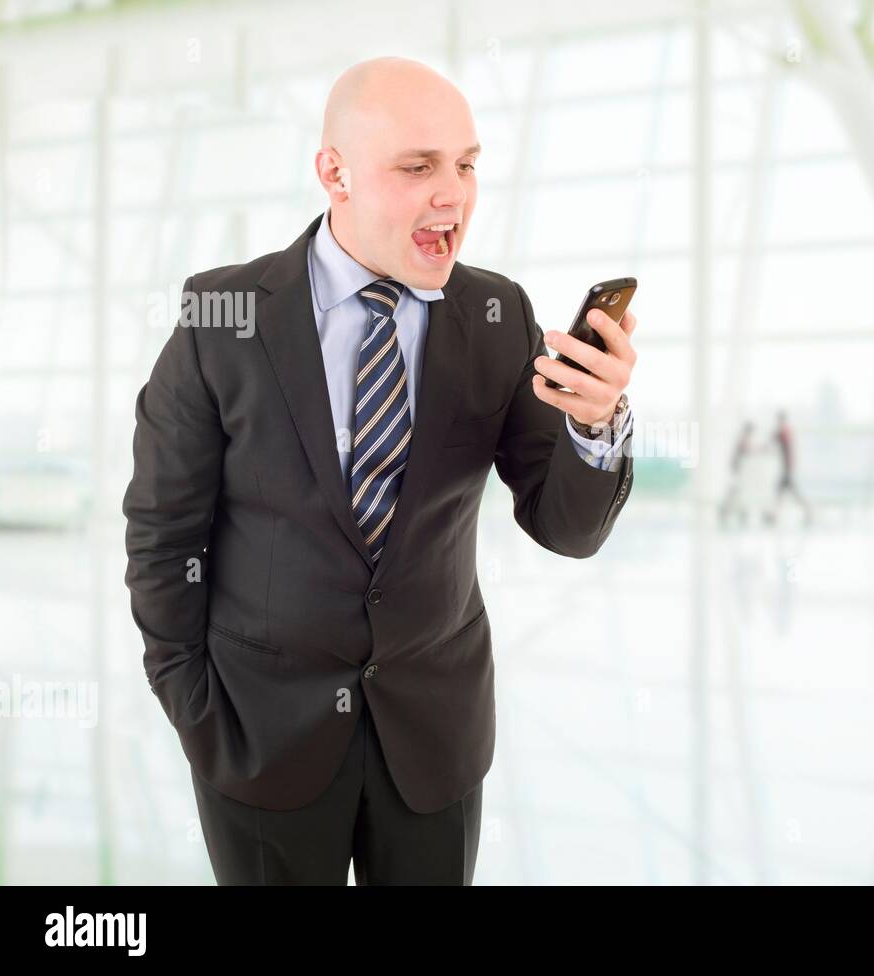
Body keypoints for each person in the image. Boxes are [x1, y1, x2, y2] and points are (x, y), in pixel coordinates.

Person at [121, 57, 638, 885]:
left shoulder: (496, 317)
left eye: (467, 164)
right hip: (259, 737)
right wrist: (193, 706)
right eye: (418, 167)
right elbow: (161, 533)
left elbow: (565, 528)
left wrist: (593, 423)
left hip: (433, 740)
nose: (454, 195)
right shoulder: (222, 318)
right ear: (335, 173)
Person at [766, 409, 811, 526]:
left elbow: (772, 441)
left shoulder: (784, 432)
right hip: (786, 468)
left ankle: (774, 515)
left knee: (787, 492)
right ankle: (774, 515)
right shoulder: (785, 432)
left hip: (786, 469)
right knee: (784, 492)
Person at [718, 420, 756, 528]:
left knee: (736, 491)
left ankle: (738, 511)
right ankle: (727, 511)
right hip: (737, 470)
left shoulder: (743, 439)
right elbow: (747, 450)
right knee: (734, 491)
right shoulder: (743, 439)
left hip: (737, 470)